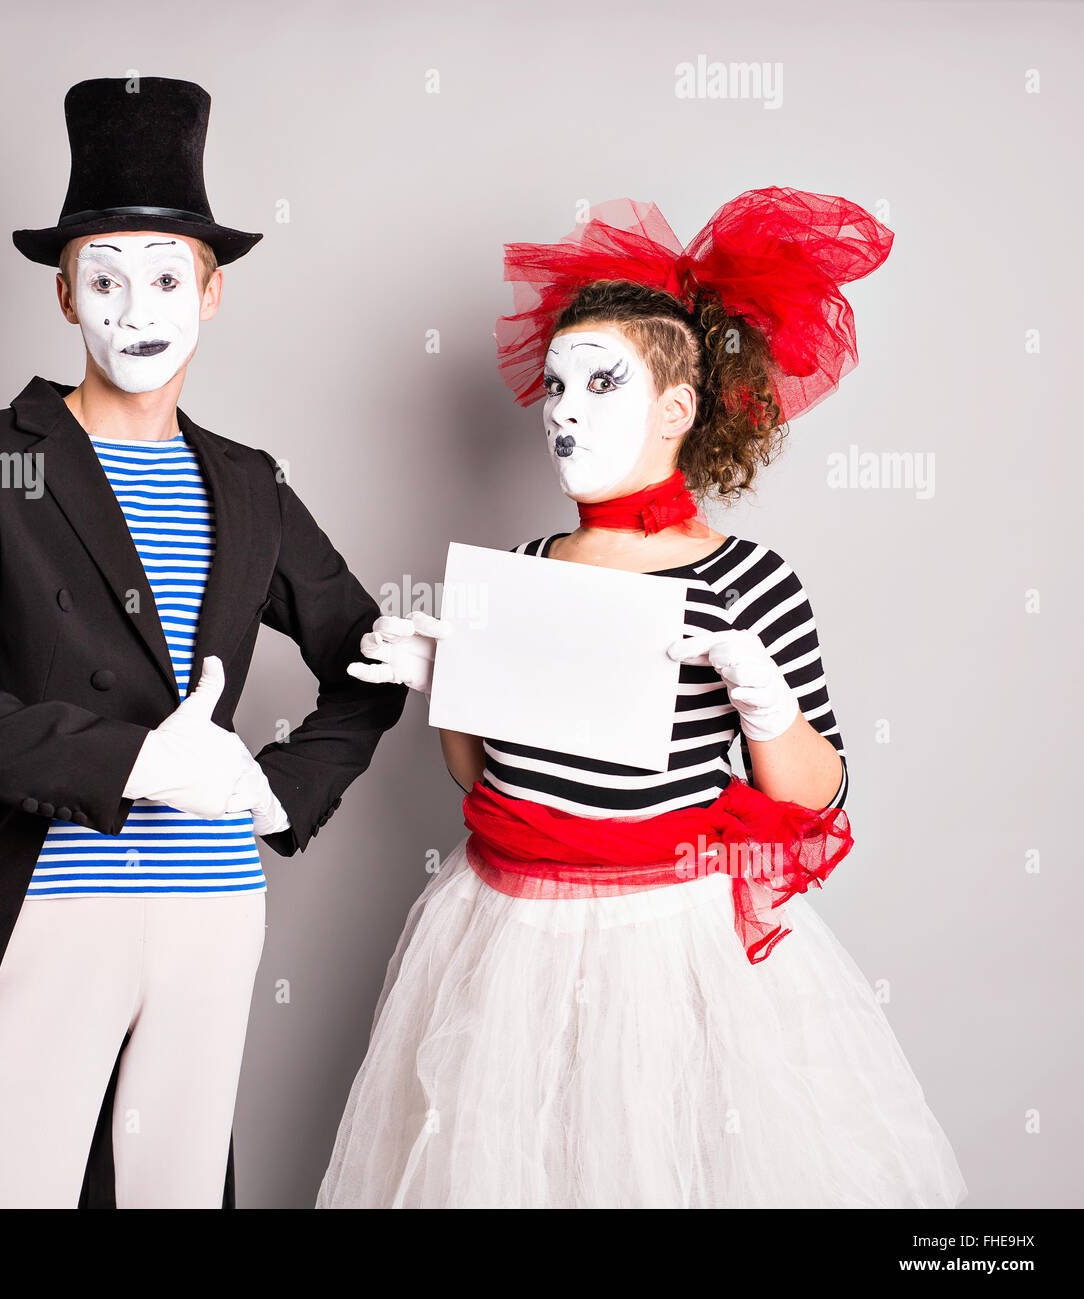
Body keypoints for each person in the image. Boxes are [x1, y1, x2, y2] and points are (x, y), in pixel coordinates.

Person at [318, 188, 966, 1209]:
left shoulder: (748, 578)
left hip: (661, 947)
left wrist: (766, 707)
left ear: (676, 410)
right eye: (556, 387)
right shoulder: (526, 564)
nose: (564, 409)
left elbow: (814, 801)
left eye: (601, 383)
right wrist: (452, 690)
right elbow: (483, 777)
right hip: (503, 927)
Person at [0, 76, 405, 1209]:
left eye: (165, 278)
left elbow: (366, 656)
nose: (134, 308)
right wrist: (131, 761)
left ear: (213, 293)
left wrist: (281, 791)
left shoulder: (248, 484)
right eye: (102, 279)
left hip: (213, 915)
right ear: (64, 295)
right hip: (53, 902)